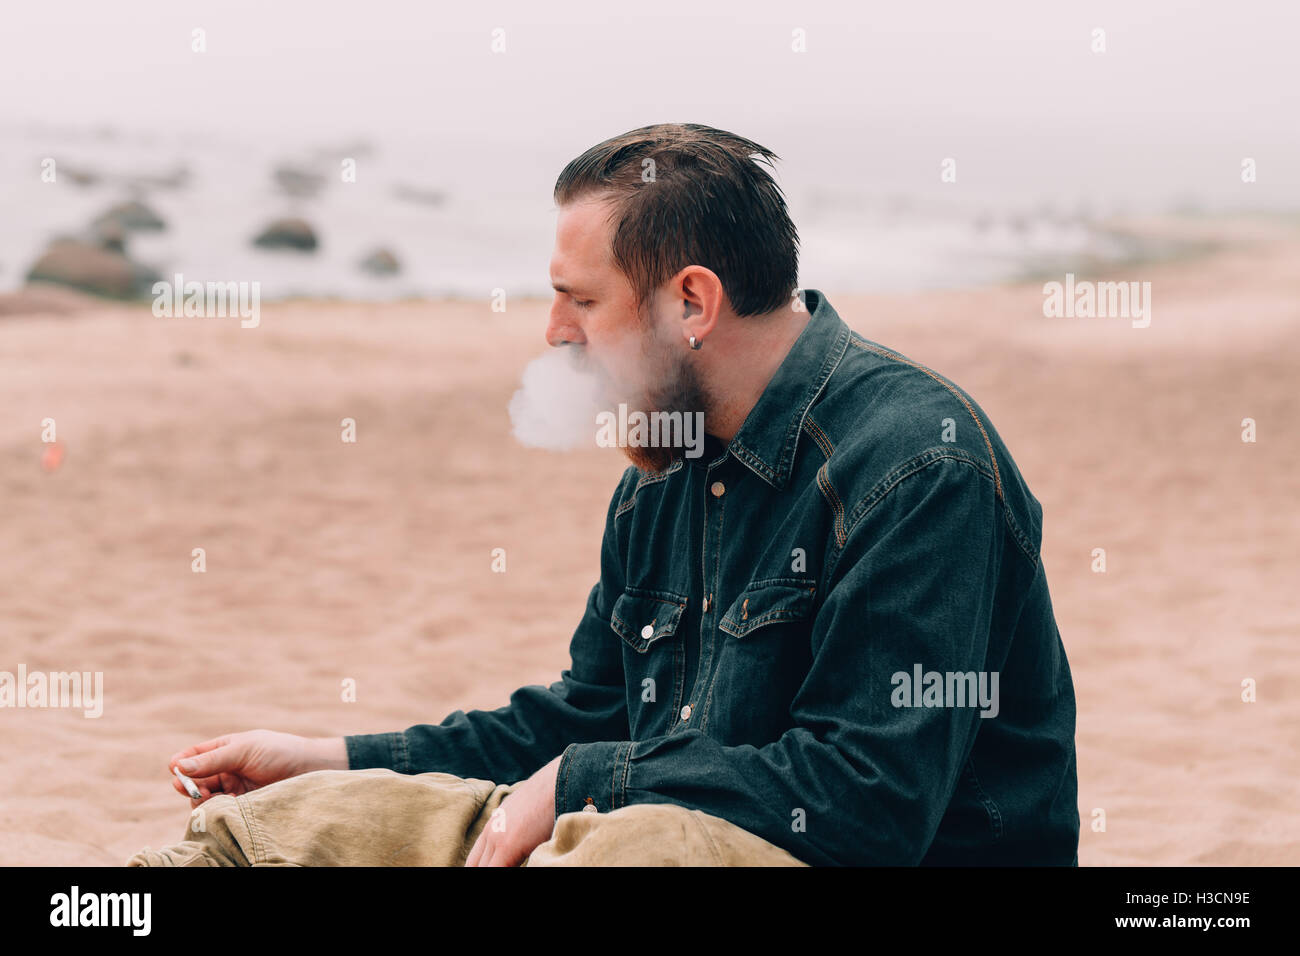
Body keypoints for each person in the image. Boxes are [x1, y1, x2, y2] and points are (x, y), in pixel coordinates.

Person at [129, 123, 1078, 867]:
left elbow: (869, 805)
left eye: (580, 300)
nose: (552, 332)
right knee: (276, 833)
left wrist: (588, 784)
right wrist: (329, 756)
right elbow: (587, 719)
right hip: (626, 842)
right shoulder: (665, 471)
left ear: (691, 304)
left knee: (632, 846)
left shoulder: (919, 466)